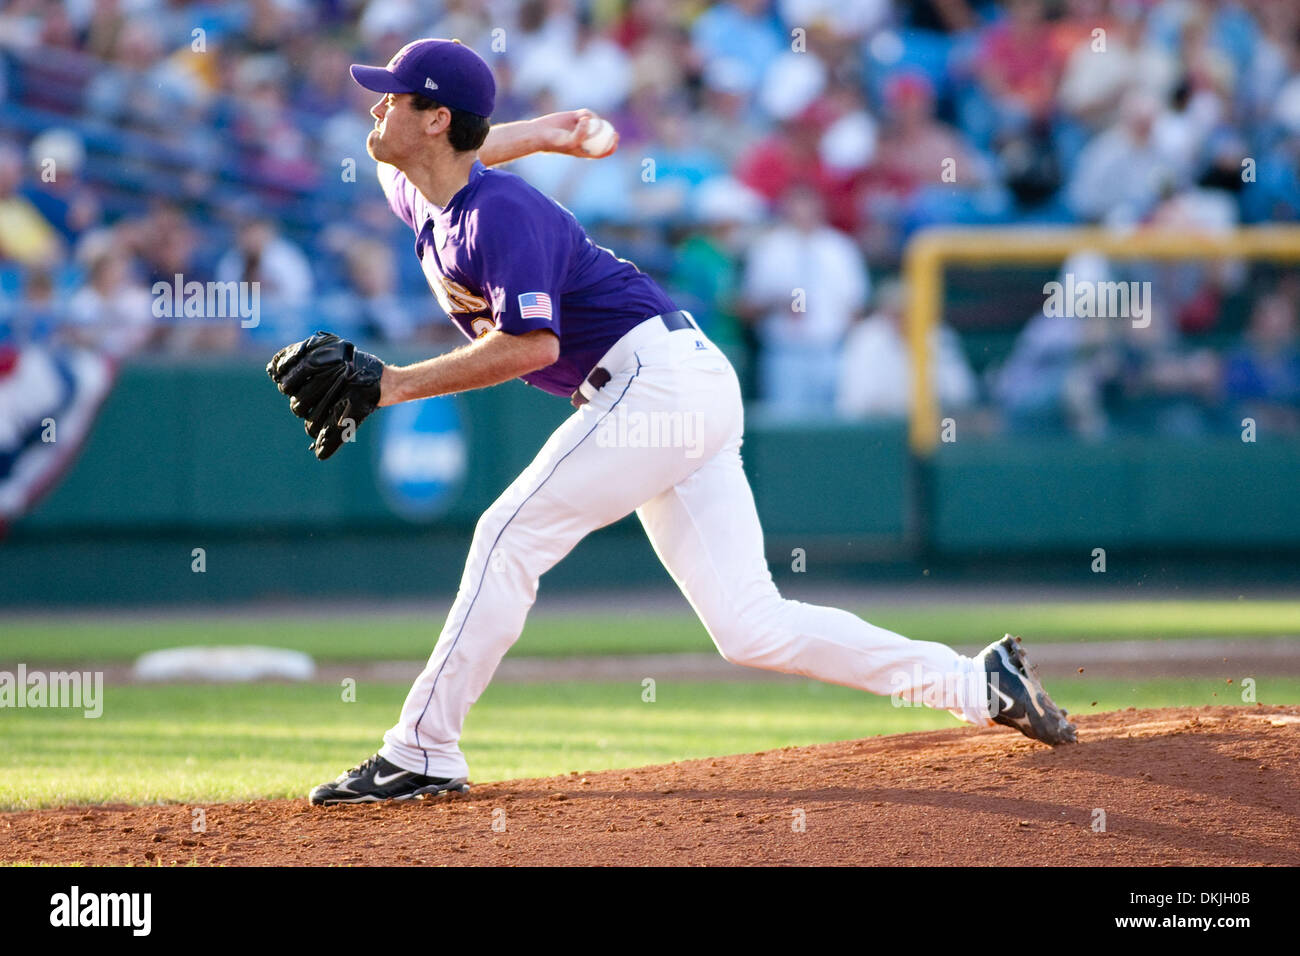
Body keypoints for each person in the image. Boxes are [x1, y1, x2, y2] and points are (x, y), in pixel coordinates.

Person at [280, 39, 1075, 807]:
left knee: (507, 534)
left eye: (394, 94)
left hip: (652, 383)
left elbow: (530, 345)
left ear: (435, 119)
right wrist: (551, 130)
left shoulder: (502, 214)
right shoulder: (423, 189)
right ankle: (980, 684)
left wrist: (389, 385)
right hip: (670, 384)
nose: (376, 105)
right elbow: (461, 145)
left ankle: (420, 751)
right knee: (750, 628)